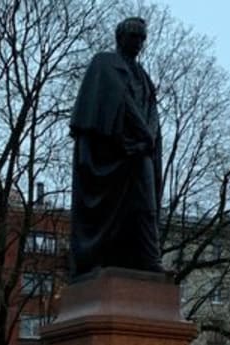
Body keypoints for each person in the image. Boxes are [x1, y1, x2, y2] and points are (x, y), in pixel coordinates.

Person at [69, 17, 163, 277]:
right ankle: (99, 259)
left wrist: (149, 138)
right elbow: (118, 102)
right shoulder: (105, 63)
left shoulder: (143, 76)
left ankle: (149, 260)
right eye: (134, 36)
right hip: (111, 153)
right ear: (120, 37)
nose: (138, 43)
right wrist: (144, 134)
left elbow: (151, 112)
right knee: (112, 212)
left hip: (140, 152)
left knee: (146, 207)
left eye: (142, 38)